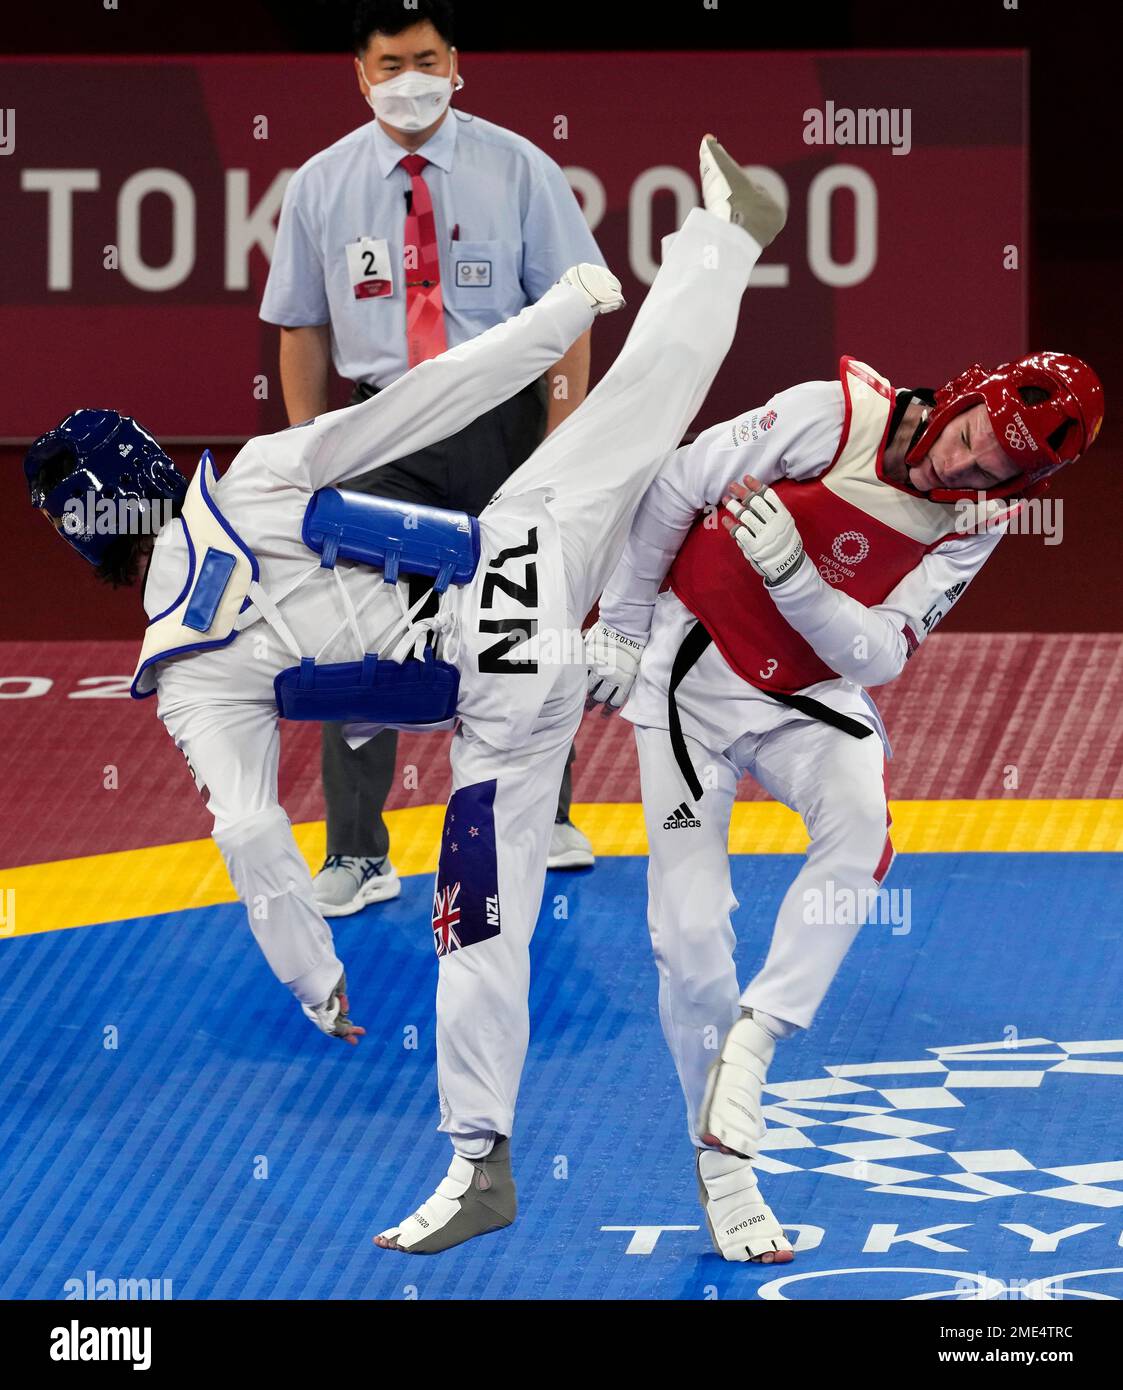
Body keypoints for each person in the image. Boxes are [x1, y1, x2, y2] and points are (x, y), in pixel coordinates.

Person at [27, 137, 787, 1255]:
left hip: (500, 695)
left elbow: (246, 828)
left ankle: (480, 1159)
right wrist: (553, 319)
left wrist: (314, 977)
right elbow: (429, 398)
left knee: (477, 931)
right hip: (519, 553)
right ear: (151, 464)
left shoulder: (185, 668)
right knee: (638, 406)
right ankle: (725, 234)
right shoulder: (257, 475)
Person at [587, 346, 1105, 1263]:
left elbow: (879, 657)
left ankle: (758, 1040)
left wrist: (795, 578)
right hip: (685, 680)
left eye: (995, 464)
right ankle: (724, 1174)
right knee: (690, 935)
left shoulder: (975, 520)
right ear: (967, 394)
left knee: (864, 828)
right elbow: (673, 489)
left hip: (807, 694)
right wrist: (621, 627)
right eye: (976, 432)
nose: (966, 462)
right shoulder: (827, 415)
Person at [261, 0, 608, 914]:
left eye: (426, 58)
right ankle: (358, 852)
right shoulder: (322, 183)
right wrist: (310, 443)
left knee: (527, 605)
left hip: (506, 421)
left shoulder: (518, 165)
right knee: (360, 622)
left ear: (456, 61)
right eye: (390, 63)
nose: (409, 78)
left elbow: (571, 308)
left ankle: (550, 813)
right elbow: (300, 324)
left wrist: (563, 427)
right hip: (384, 426)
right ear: (360, 73)